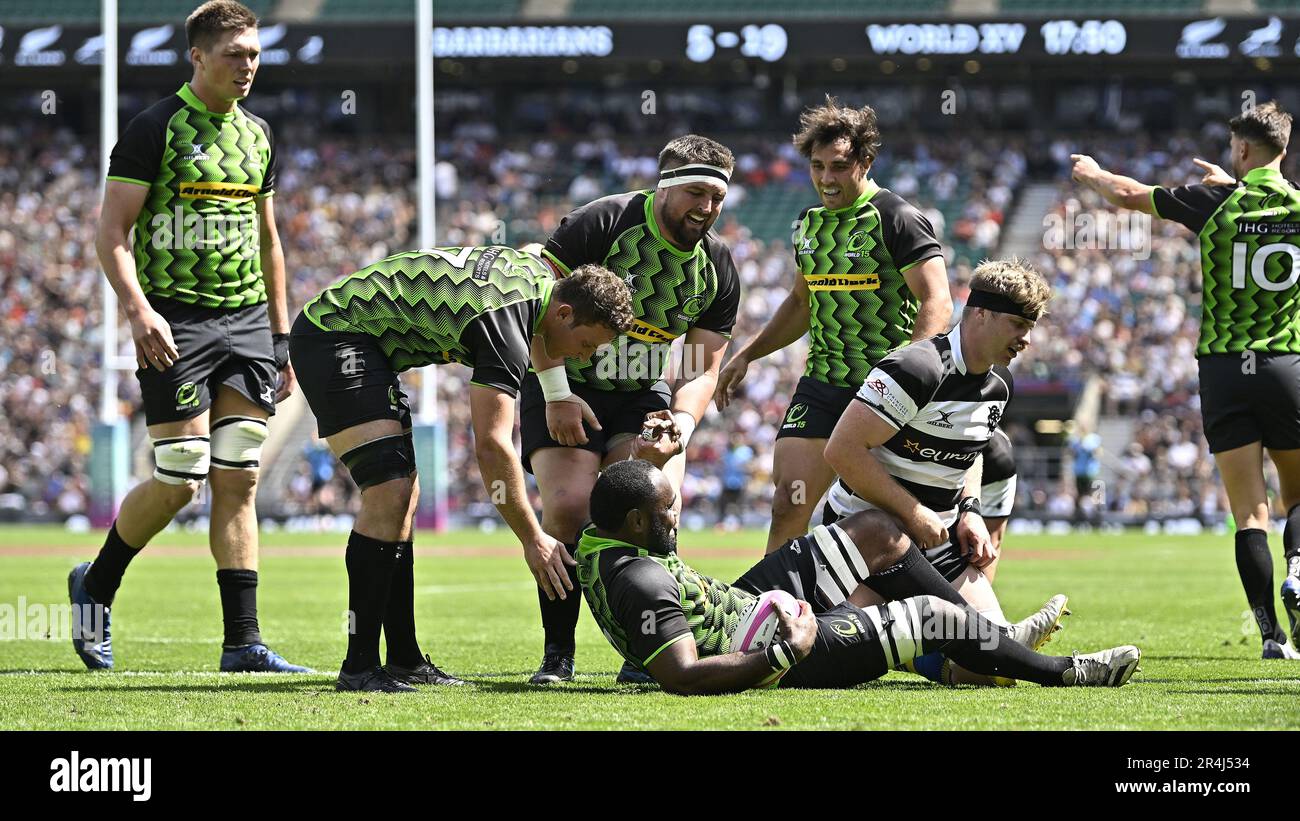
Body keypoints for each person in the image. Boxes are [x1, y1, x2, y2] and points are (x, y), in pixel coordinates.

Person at [69, 1, 307, 673]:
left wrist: (281, 333)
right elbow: (111, 232)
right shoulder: (154, 128)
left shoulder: (258, 134)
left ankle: (244, 642)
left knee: (240, 474)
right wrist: (138, 311)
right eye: (235, 54)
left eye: (254, 53)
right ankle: (96, 585)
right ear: (197, 56)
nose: (248, 65)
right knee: (181, 476)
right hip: (176, 320)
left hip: (248, 322)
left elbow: (269, 239)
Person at [290, 247, 633, 691]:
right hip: (334, 336)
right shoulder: (506, 328)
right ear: (565, 313)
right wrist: (533, 539)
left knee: (404, 497)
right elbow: (491, 446)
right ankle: (359, 667)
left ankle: (404, 660)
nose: (584, 358)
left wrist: (557, 393)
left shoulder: (538, 282)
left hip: (360, 337)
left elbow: (535, 301)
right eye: (586, 345)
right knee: (389, 492)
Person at [575, 459, 1140, 694]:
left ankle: (990, 645)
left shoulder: (602, 538)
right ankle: (1064, 673)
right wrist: (785, 652)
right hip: (764, 645)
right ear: (637, 522)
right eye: (667, 511)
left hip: (747, 606)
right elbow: (681, 676)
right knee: (931, 616)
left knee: (873, 530)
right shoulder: (641, 581)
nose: (676, 518)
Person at [1071, 101, 1300, 659]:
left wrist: (1093, 173)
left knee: (1250, 514)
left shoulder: (1214, 202)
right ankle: (1298, 569)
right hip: (1286, 365)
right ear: (1284, 149)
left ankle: (1270, 636)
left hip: (1223, 370)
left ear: (1241, 149)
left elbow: (1129, 194)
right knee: (1297, 497)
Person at [521, 135, 742, 684]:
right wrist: (556, 393)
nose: (707, 208)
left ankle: (646, 649)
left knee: (654, 510)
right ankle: (558, 654)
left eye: (717, 198)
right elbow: (535, 309)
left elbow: (702, 367)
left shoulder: (717, 265)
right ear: (665, 186)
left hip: (642, 393)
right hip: (566, 381)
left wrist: (681, 422)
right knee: (569, 508)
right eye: (696, 193)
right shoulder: (602, 222)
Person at [714, 97, 953, 555]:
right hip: (823, 383)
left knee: (887, 520)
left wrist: (909, 373)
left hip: (884, 388)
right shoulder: (808, 224)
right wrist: (748, 354)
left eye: (839, 166)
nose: (826, 178)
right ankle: (776, 600)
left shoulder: (896, 217)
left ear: (865, 162)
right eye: (817, 166)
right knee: (787, 503)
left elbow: (937, 300)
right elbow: (800, 304)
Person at [824, 259, 1062, 650]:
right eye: (1018, 324)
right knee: (832, 648)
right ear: (981, 313)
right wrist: (915, 513)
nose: (1027, 340)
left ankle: (928, 644)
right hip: (866, 535)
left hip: (936, 541)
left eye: (1031, 327)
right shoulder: (917, 368)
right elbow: (842, 450)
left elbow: (972, 451)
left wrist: (970, 509)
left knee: (988, 667)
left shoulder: (1000, 384)